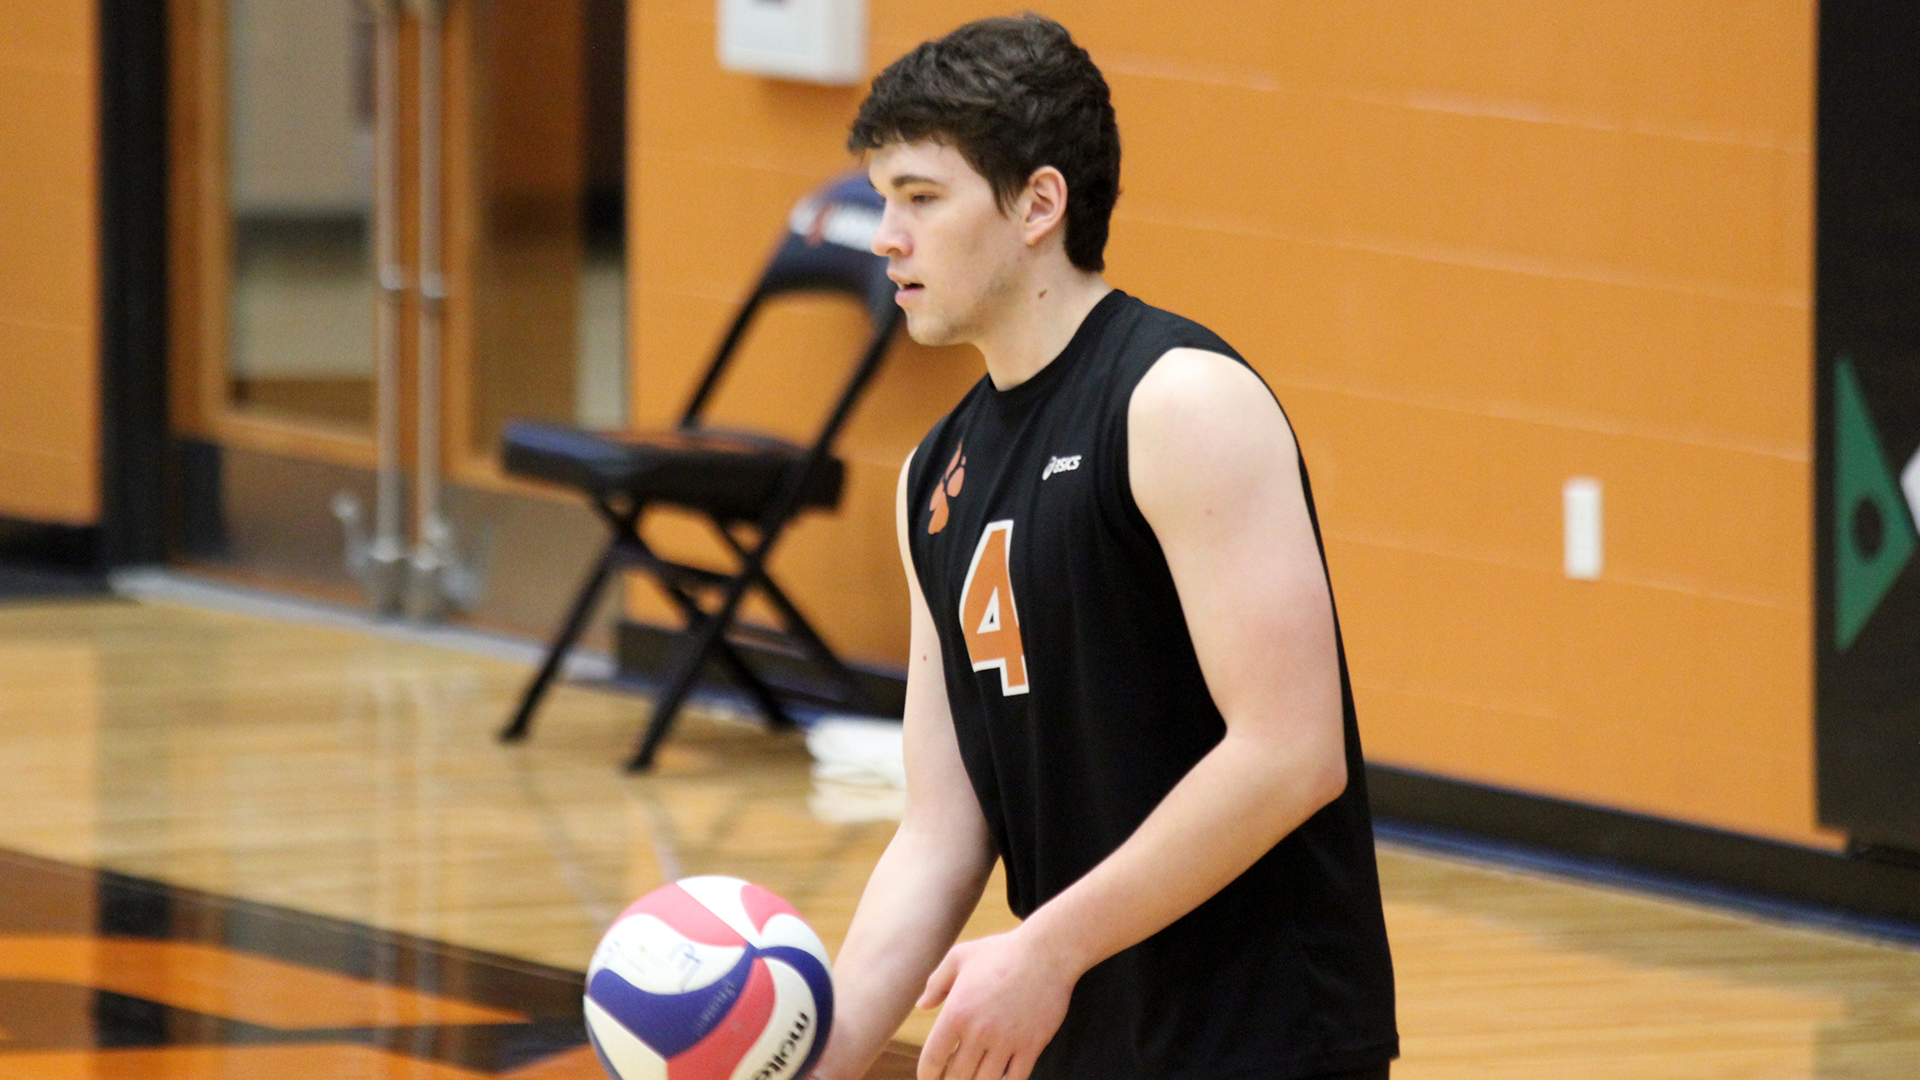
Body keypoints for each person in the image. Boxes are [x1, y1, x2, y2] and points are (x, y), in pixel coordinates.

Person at [810, 15, 1397, 1080]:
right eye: (883, 198)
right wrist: (821, 1052)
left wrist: (1047, 947)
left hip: (1260, 1039)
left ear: (1040, 203)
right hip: (1083, 1035)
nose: (884, 234)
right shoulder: (930, 480)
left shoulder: (1182, 402)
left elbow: (1289, 754)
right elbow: (943, 832)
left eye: (920, 198)